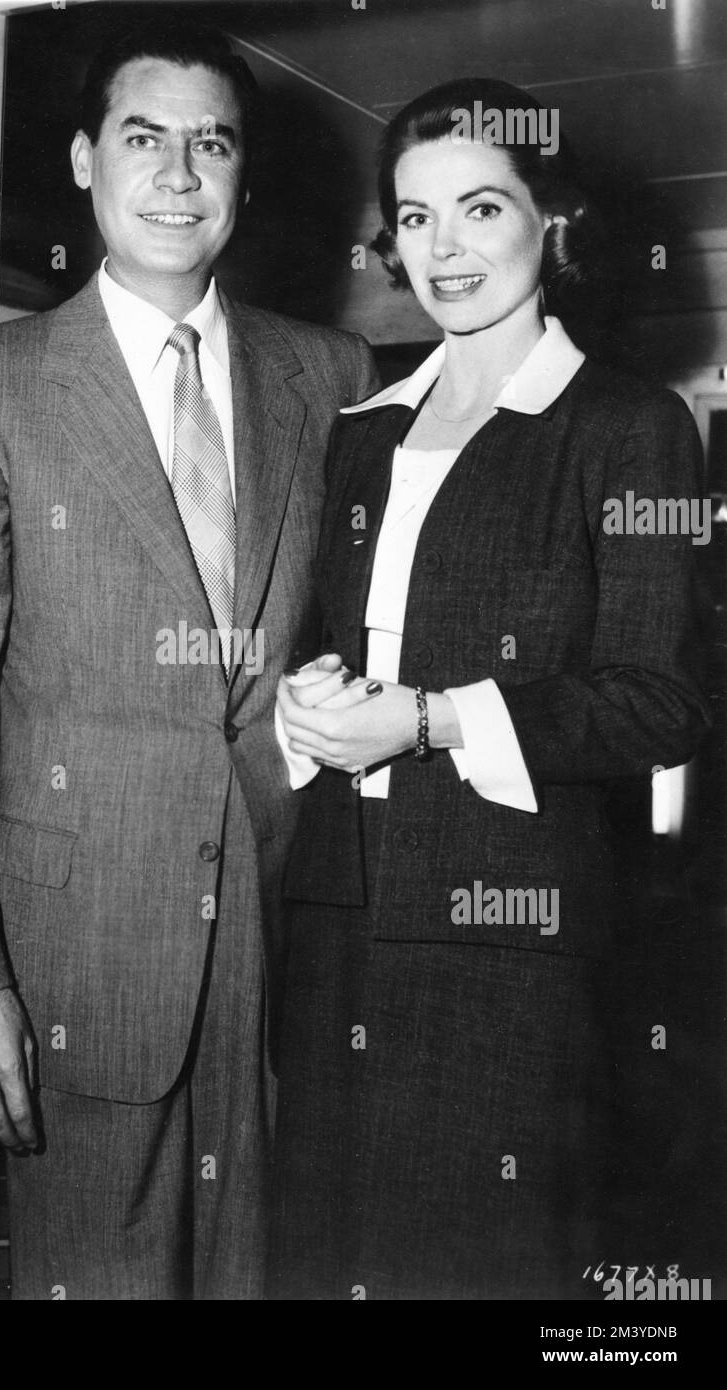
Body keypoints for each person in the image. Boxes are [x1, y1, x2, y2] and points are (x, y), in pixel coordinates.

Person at [0, 16, 377, 1301]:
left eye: (212, 143)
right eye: (144, 138)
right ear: (87, 161)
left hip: (288, 942)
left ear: (243, 178)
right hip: (76, 954)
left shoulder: (331, 373)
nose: (179, 172)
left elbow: (364, 630)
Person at [270, 77, 709, 1300]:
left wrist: (425, 717)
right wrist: (315, 693)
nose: (444, 249)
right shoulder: (362, 427)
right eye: (414, 220)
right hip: (334, 919)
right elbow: (334, 641)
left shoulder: (628, 426)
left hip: (511, 936)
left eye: (478, 208)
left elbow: (657, 702)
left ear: (551, 221)